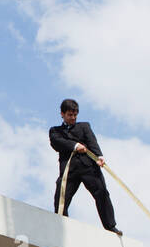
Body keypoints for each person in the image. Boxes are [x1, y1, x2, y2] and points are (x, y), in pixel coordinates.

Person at [48, 98, 122, 234]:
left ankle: (110, 226)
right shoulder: (55, 131)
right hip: (69, 171)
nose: (73, 118)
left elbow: (92, 142)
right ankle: (61, 223)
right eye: (70, 115)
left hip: (88, 167)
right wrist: (75, 146)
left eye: (75, 115)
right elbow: (57, 143)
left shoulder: (84, 126)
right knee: (61, 194)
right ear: (62, 114)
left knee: (101, 192)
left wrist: (99, 157)